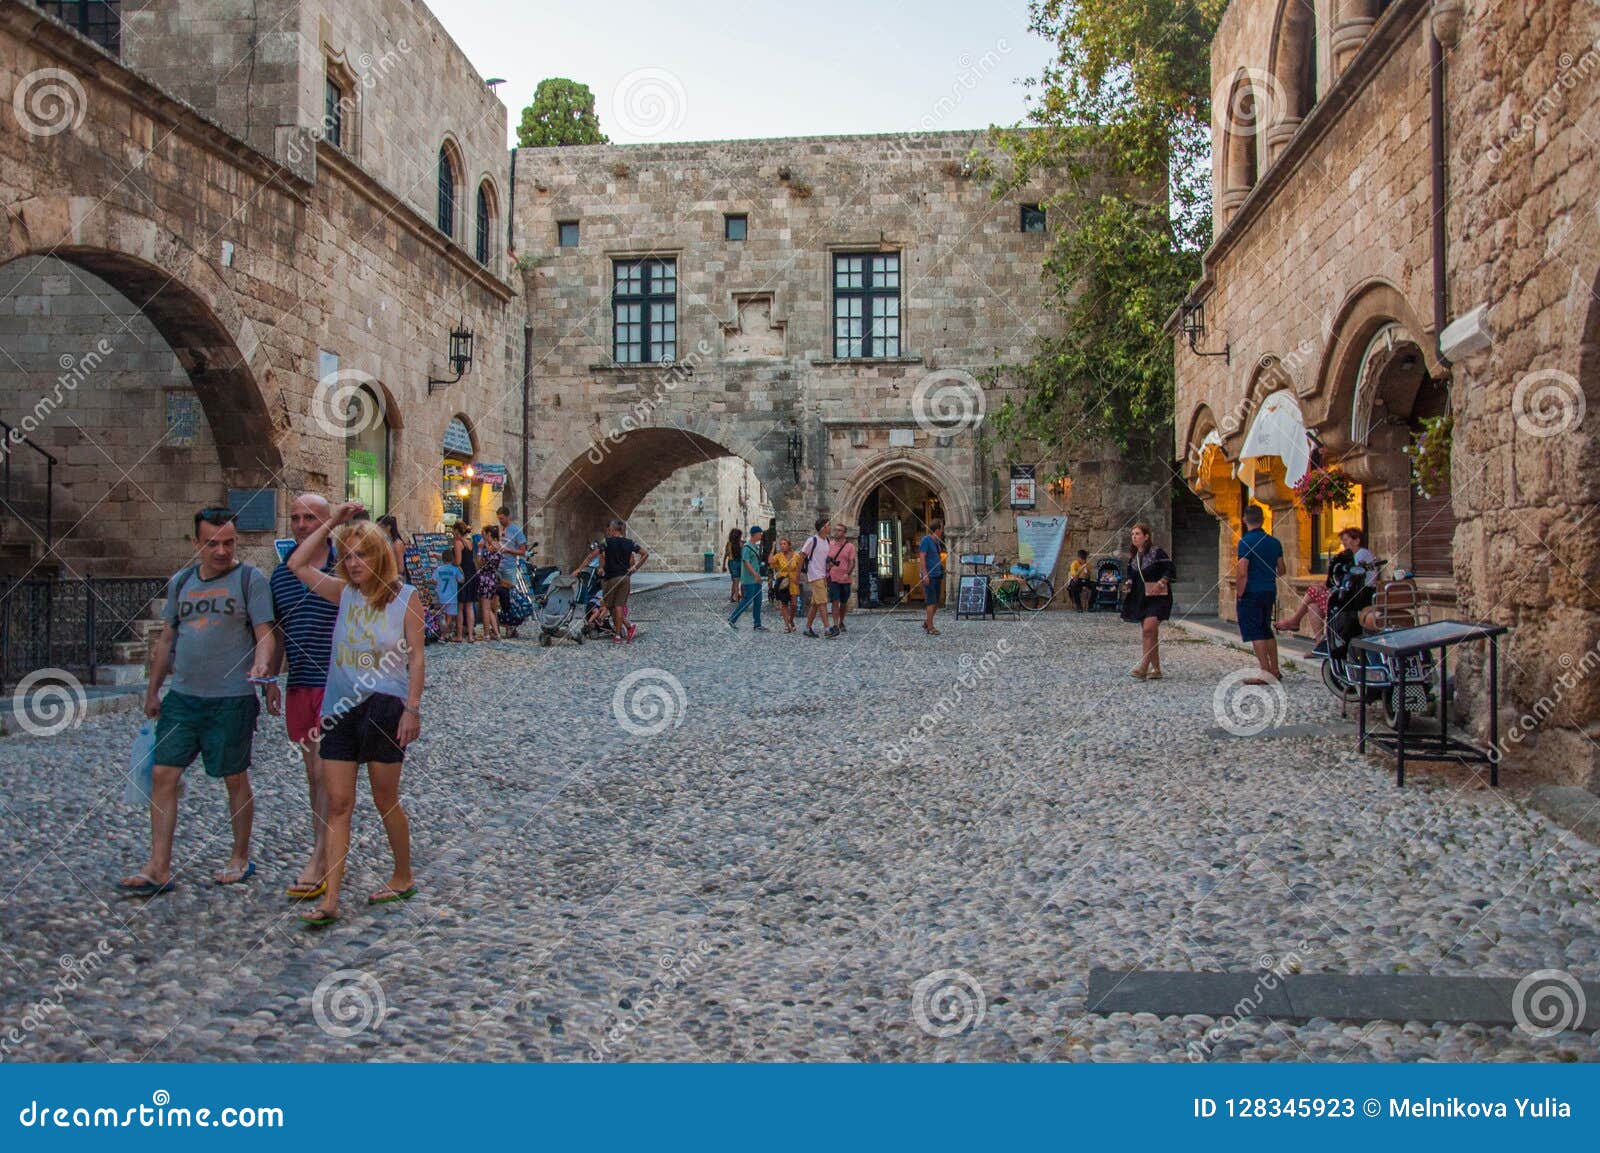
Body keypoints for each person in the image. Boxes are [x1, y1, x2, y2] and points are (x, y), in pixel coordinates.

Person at [119, 507, 276, 897]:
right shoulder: (182, 582)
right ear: (196, 544)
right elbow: (167, 639)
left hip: (231, 699)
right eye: (212, 543)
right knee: (163, 774)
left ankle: (240, 855)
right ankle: (159, 865)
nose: (221, 551)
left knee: (234, 777)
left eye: (228, 542)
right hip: (184, 697)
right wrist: (154, 688)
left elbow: (265, 631)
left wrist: (262, 663)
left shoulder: (249, 580)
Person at [288, 504, 424, 927]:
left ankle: (403, 874)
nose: (354, 563)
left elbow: (417, 658)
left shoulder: (406, 598)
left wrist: (412, 710)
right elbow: (296, 564)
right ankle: (330, 899)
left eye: (362, 554)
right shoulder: (343, 593)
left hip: (385, 706)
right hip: (340, 708)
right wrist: (331, 522)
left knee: (385, 799)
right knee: (339, 805)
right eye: (347, 555)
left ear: (379, 556)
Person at [268, 493, 341, 901]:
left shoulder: (345, 566)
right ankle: (325, 845)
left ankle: (320, 858)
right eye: (295, 517)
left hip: (337, 686)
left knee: (323, 773)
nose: (300, 524)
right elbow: (278, 629)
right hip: (300, 683)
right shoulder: (281, 575)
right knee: (313, 774)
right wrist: (272, 677)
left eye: (310, 518)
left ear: (328, 522)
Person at [1276, 526, 1374, 635]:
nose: (1343, 543)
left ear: (1357, 540)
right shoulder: (1352, 556)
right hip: (1348, 595)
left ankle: (1295, 620)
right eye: (1343, 540)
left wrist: (1328, 585)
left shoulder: (1361, 554)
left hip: (1355, 598)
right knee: (1313, 607)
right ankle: (1318, 645)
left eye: (1346, 540)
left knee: (1314, 590)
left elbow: (1350, 578)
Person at [1234, 503, 1286, 684]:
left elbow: (1242, 571)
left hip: (1252, 591)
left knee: (1256, 631)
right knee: (1266, 629)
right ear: (1263, 520)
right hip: (1269, 590)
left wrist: (1240, 593)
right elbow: (1282, 569)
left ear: (1244, 520)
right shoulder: (1274, 542)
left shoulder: (1245, 542)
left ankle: (1265, 672)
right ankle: (1275, 668)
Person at [574, 519, 646, 643]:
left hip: (610, 578)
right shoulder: (630, 543)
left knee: (609, 605)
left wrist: (579, 569)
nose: (608, 532)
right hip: (625, 578)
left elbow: (592, 555)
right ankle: (619, 634)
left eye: (609, 530)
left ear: (612, 530)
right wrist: (635, 568)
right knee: (618, 606)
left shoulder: (606, 542)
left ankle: (622, 631)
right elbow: (645, 554)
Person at [1122, 523, 1175, 680]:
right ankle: (1157, 669)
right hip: (1141, 597)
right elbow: (1131, 576)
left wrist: (1162, 581)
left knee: (1148, 630)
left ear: (1146, 536)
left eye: (1137, 533)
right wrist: (1128, 583)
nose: (1134, 536)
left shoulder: (1157, 553)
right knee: (1151, 634)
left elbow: (1170, 569)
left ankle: (1143, 667)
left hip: (1158, 597)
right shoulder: (1133, 558)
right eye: (1132, 534)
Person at [799, 517, 833, 638]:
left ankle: (808, 628)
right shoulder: (812, 540)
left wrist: (830, 564)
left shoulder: (827, 541)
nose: (830, 527)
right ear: (823, 527)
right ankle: (827, 629)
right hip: (815, 575)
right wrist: (798, 574)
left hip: (823, 575)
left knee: (815, 603)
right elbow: (802, 556)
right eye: (828, 525)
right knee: (823, 602)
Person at [728, 525, 767, 630]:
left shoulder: (755, 547)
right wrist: (755, 574)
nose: (761, 535)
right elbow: (746, 562)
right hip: (749, 580)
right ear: (755, 534)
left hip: (756, 579)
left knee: (758, 602)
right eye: (760, 533)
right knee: (746, 601)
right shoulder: (747, 547)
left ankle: (757, 624)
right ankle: (732, 619)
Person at [827, 523, 858, 634]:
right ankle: (835, 624)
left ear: (844, 533)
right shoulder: (830, 545)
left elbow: (852, 562)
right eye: (835, 530)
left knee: (844, 602)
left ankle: (841, 621)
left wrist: (847, 573)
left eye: (839, 530)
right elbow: (827, 560)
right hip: (833, 578)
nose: (836, 532)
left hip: (845, 579)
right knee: (835, 601)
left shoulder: (850, 546)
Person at [918, 520, 946, 636]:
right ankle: (930, 627)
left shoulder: (937, 542)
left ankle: (927, 621)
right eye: (942, 528)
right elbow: (922, 557)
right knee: (931, 602)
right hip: (930, 575)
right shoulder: (926, 540)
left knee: (936, 602)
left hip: (937, 574)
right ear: (937, 529)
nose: (943, 531)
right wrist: (925, 574)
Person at [768, 536, 801, 633]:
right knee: (784, 604)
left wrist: (797, 578)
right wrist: (773, 548)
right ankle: (787, 625)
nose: (782, 546)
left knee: (794, 604)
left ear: (789, 545)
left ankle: (791, 620)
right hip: (783, 581)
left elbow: (799, 567)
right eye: (781, 544)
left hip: (793, 581)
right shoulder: (778, 555)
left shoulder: (796, 555)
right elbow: (770, 562)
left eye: (784, 544)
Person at [476, 523, 503, 641]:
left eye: (485, 534)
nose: (484, 537)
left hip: (486, 578)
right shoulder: (498, 546)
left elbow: (480, 563)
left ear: (489, 534)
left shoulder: (491, 548)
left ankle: (487, 634)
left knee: (485, 608)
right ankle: (496, 633)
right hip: (492, 577)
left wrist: (479, 550)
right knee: (490, 608)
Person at [451, 521, 477, 642]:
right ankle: (471, 636)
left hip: (463, 576)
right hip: (471, 574)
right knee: (470, 606)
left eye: (453, 531)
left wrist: (449, 563)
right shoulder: (469, 542)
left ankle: (460, 635)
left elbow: (457, 561)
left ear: (456, 531)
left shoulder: (458, 542)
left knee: (460, 607)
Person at [434, 546, 465, 642]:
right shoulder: (454, 569)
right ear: (452, 559)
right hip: (452, 597)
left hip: (441, 596)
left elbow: (434, 580)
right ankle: (443, 636)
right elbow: (462, 580)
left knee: (443, 613)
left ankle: (443, 629)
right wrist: (460, 569)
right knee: (449, 617)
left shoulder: (438, 569)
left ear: (442, 559)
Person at [724, 528, 744, 603]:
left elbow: (726, 555)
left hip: (731, 562)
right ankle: (737, 596)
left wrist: (723, 565)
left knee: (735, 581)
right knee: (738, 581)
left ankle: (734, 596)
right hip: (739, 562)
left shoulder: (729, 543)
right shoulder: (741, 543)